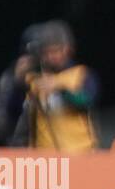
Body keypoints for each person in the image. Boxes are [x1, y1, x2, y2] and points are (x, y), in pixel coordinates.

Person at [24, 20, 98, 153]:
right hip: (45, 156)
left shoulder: (81, 74)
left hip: (80, 152)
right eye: (46, 53)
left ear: (68, 49)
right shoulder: (34, 80)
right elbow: (24, 116)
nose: (51, 56)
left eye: (55, 51)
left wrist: (59, 89)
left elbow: (87, 101)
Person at [0, 23, 43, 146]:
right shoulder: (12, 76)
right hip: (22, 151)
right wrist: (18, 85)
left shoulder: (66, 74)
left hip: (60, 151)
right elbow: (2, 126)